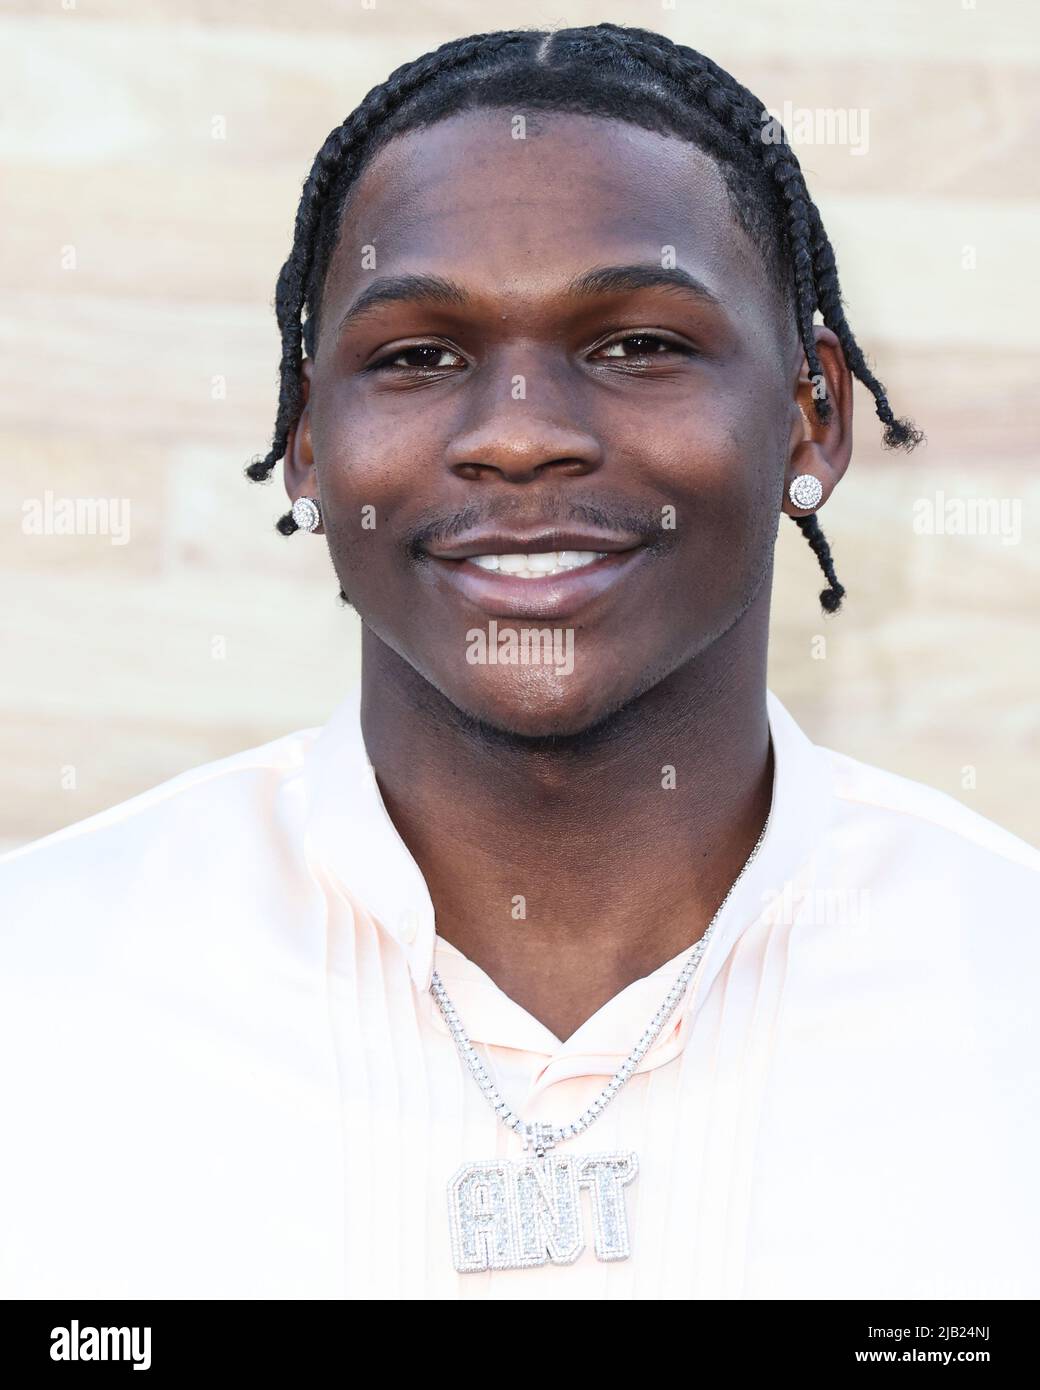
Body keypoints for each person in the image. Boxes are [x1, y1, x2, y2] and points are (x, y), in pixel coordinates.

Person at [1, 23, 1037, 1300]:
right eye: (417, 357)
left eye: (637, 345)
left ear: (810, 416)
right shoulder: (37, 982)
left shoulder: (1008, 985)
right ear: (306, 442)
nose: (521, 435)